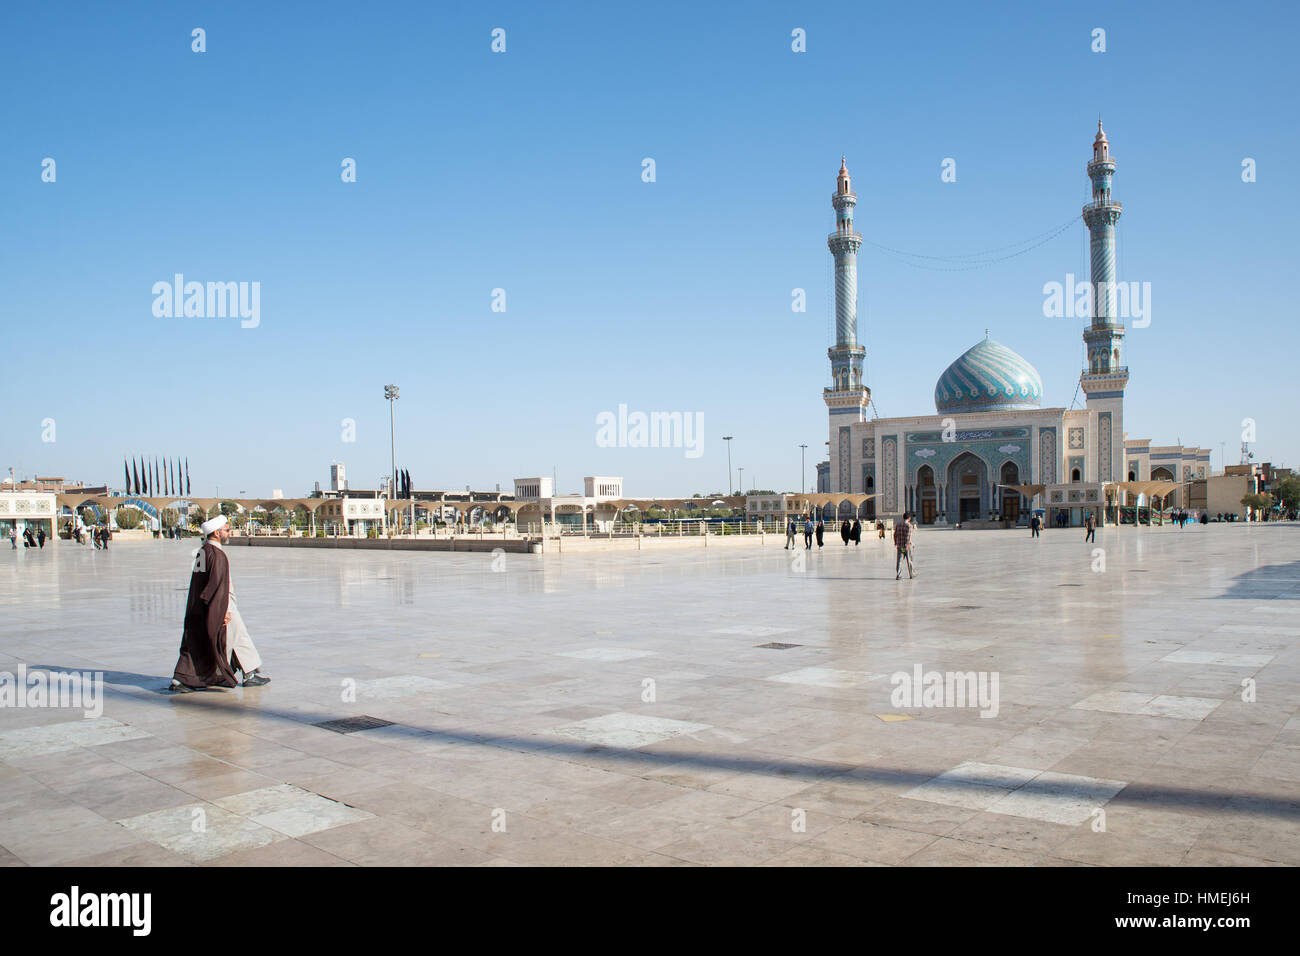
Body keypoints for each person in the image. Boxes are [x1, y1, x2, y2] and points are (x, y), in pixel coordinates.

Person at [170, 515, 269, 692]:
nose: (228, 533)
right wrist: (221, 610)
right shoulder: (217, 555)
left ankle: (249, 673)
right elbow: (216, 584)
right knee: (231, 638)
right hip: (221, 604)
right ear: (216, 533)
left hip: (203, 604)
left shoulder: (202, 551)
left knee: (237, 637)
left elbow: (199, 581)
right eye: (226, 530)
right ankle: (185, 678)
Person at [894, 512, 914, 580]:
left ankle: (899, 575)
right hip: (906, 547)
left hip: (900, 546)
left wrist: (895, 543)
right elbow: (908, 536)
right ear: (909, 518)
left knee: (899, 560)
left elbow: (895, 534)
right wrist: (908, 545)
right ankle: (911, 574)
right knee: (909, 560)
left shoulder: (898, 524)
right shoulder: (909, 525)